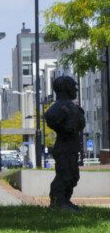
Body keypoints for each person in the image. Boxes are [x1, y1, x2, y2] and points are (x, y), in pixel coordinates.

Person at [43, 75, 86, 211]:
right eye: (74, 87)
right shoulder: (57, 109)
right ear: (66, 89)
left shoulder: (72, 107)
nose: (76, 90)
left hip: (72, 146)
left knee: (73, 175)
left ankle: (65, 201)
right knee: (64, 174)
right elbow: (51, 118)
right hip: (64, 146)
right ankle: (57, 202)